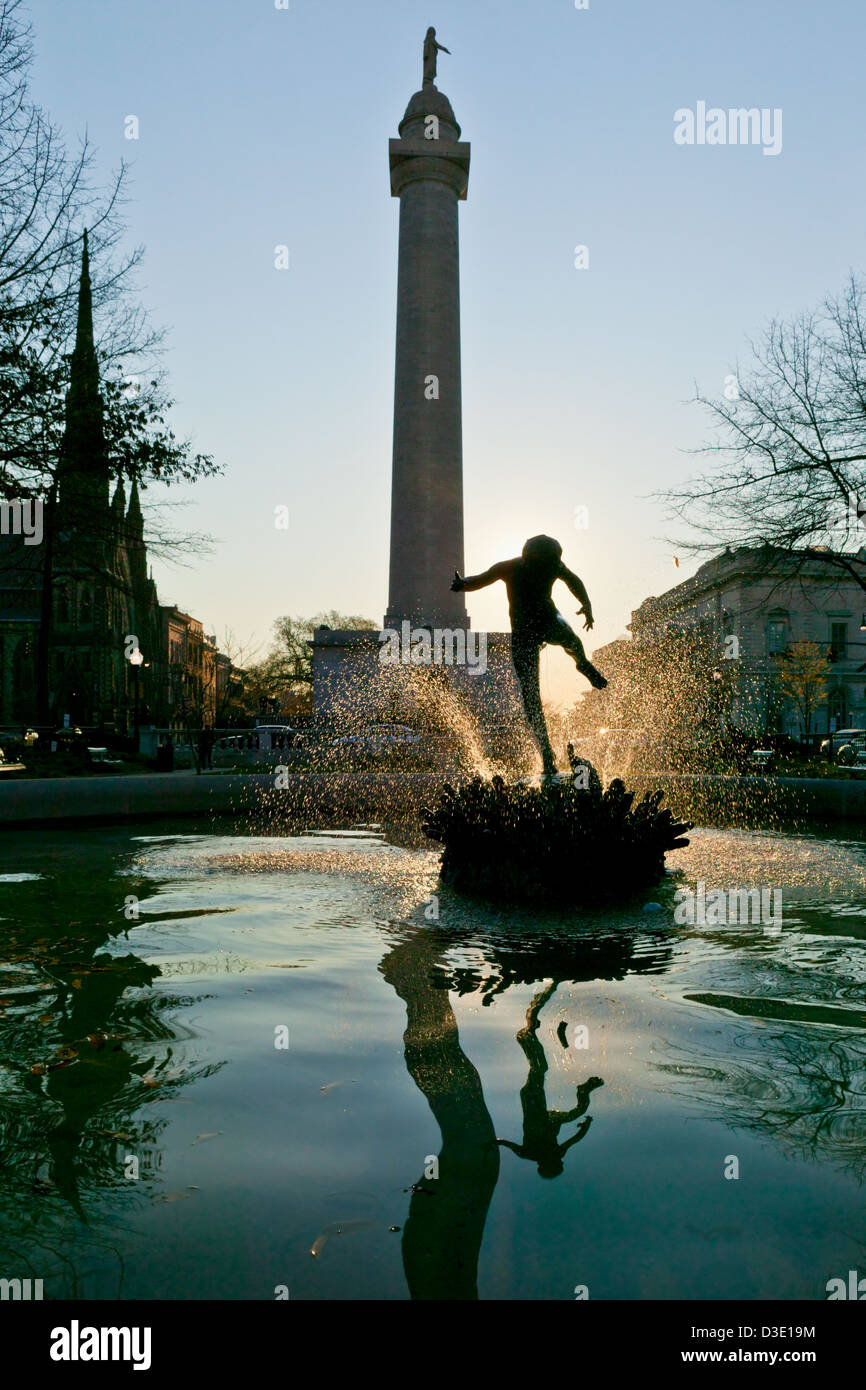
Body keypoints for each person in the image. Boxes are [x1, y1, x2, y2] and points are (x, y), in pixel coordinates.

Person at [451, 534, 607, 777]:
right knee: (531, 697)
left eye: (550, 566)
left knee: (572, 640)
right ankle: (546, 754)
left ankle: (583, 663)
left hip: (547, 619)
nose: (546, 570)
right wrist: (464, 584)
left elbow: (573, 581)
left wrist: (586, 604)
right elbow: (482, 579)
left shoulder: (553, 564)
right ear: (527, 559)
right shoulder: (509, 567)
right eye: (541, 566)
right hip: (523, 633)